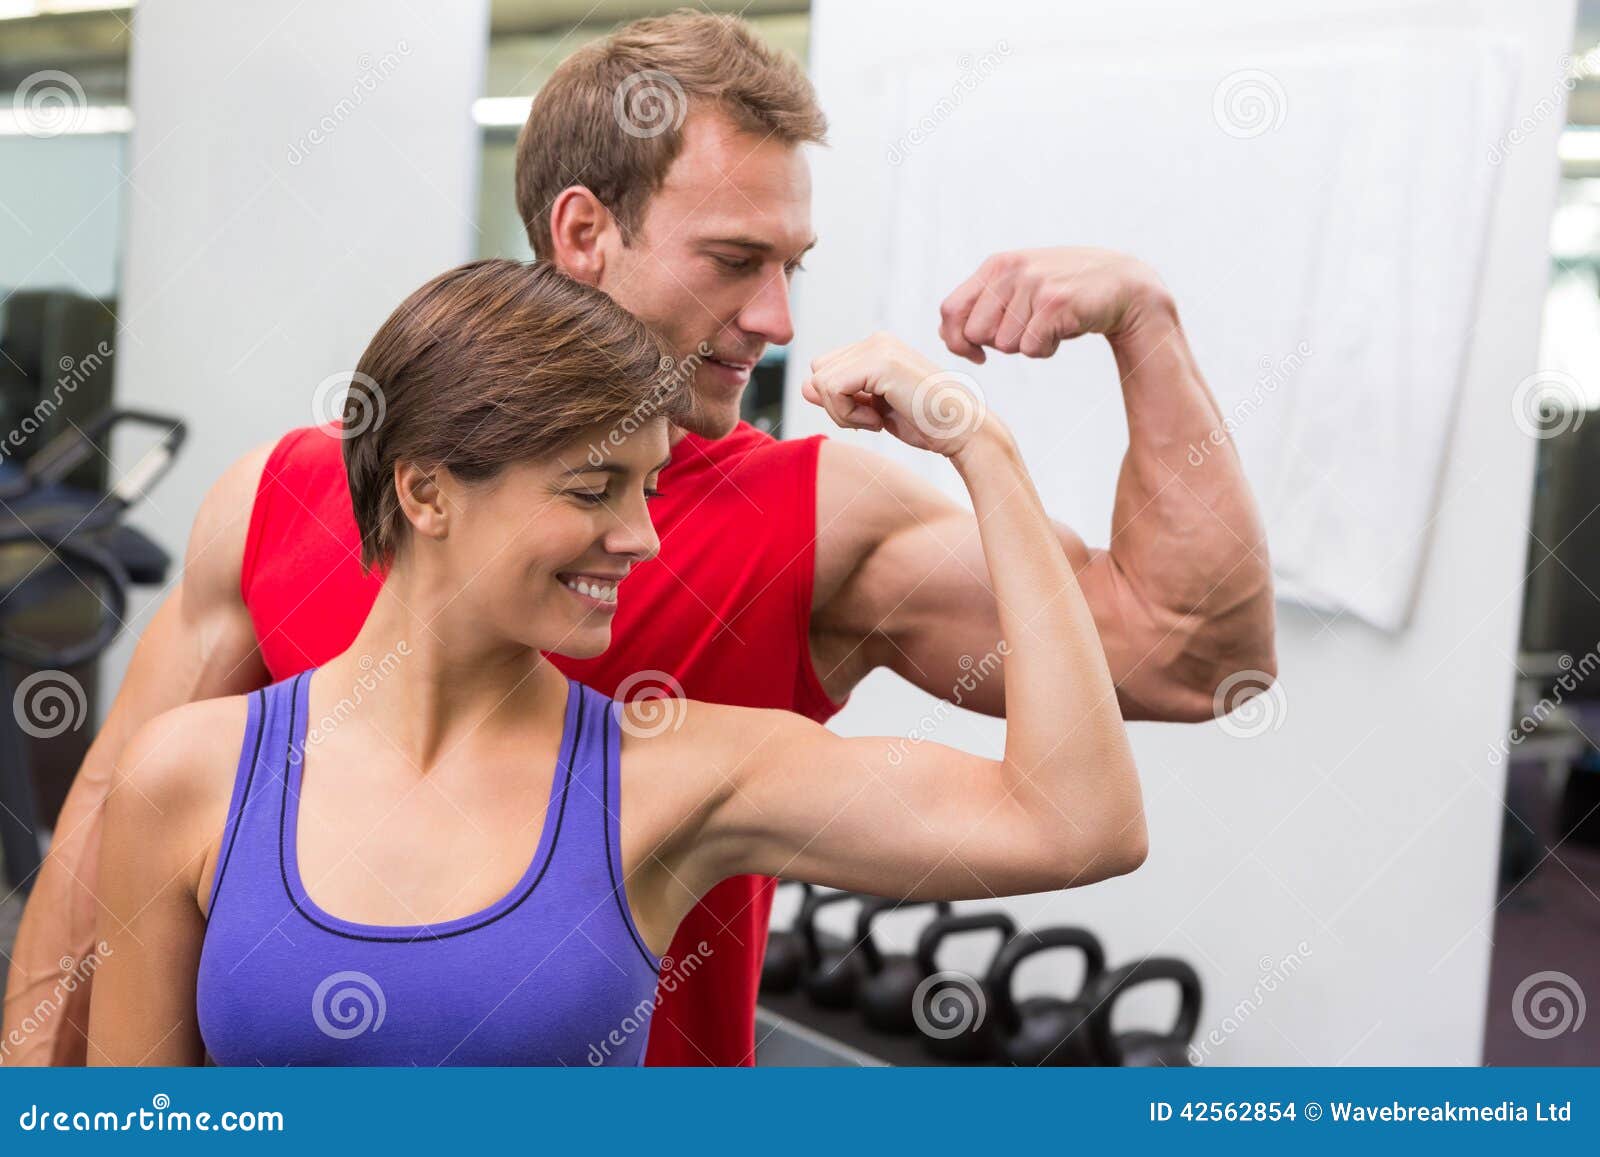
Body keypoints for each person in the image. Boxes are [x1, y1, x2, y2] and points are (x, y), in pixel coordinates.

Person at [6, 11, 1273, 1067]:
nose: (774, 316)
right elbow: (111, 836)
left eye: (792, 265)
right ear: (581, 231)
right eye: (733, 260)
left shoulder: (816, 515)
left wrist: (1142, 328)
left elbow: (1193, 660)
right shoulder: (281, 494)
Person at [84, 258, 1145, 1066]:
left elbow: (1074, 824)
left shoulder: (675, 774)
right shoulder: (191, 774)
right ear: (425, 490)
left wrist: (985, 453)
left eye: (645, 487)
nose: (640, 535)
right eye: (593, 489)